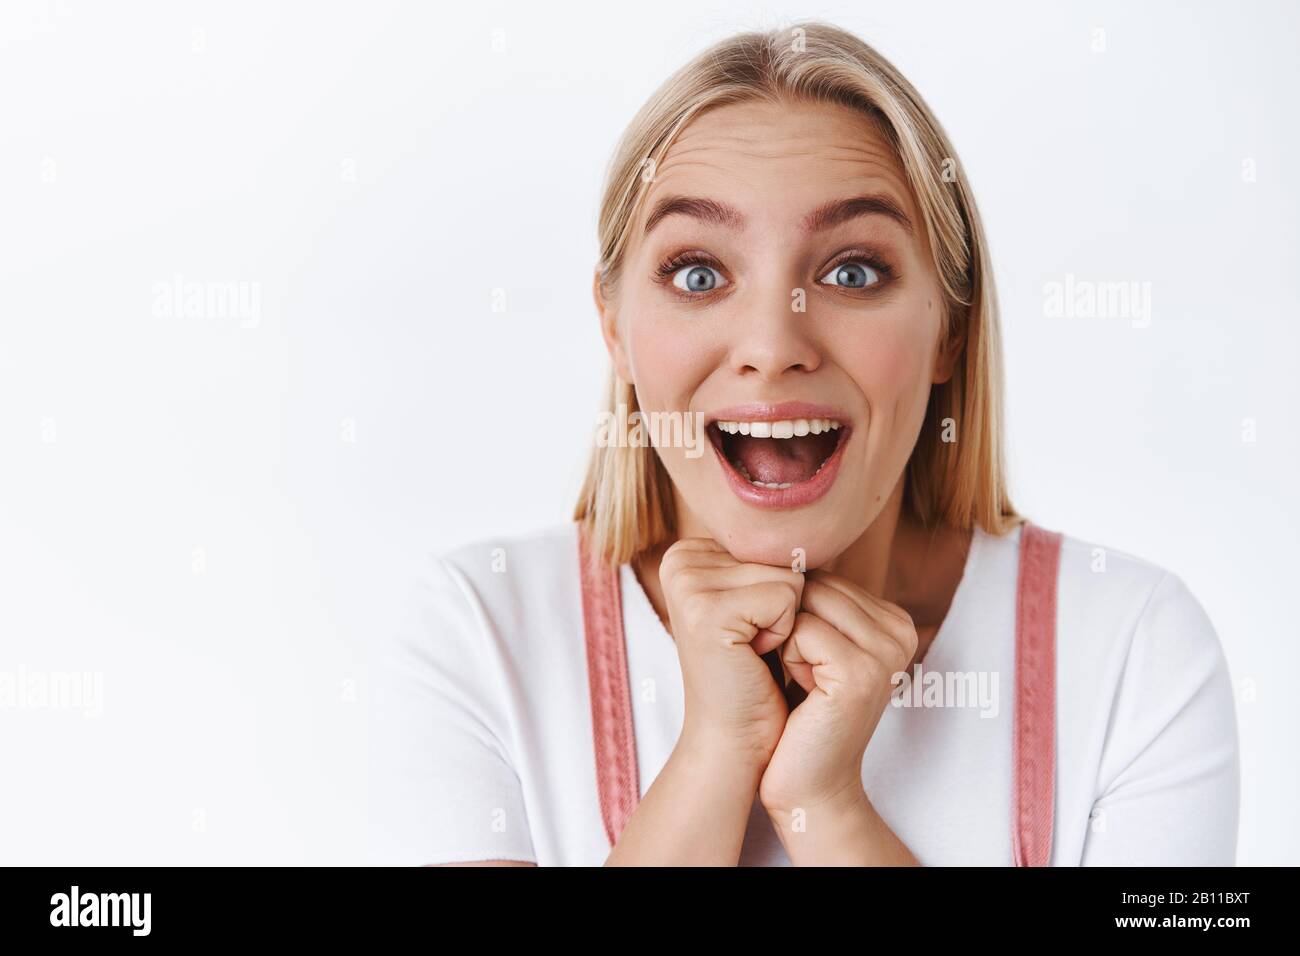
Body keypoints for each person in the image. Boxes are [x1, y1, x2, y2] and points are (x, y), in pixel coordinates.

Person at [368, 21, 1239, 866]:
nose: (775, 343)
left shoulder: (1138, 650)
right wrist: (717, 753)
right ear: (614, 327)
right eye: (698, 273)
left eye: (853, 271)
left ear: (950, 330)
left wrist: (827, 811)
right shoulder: (479, 630)